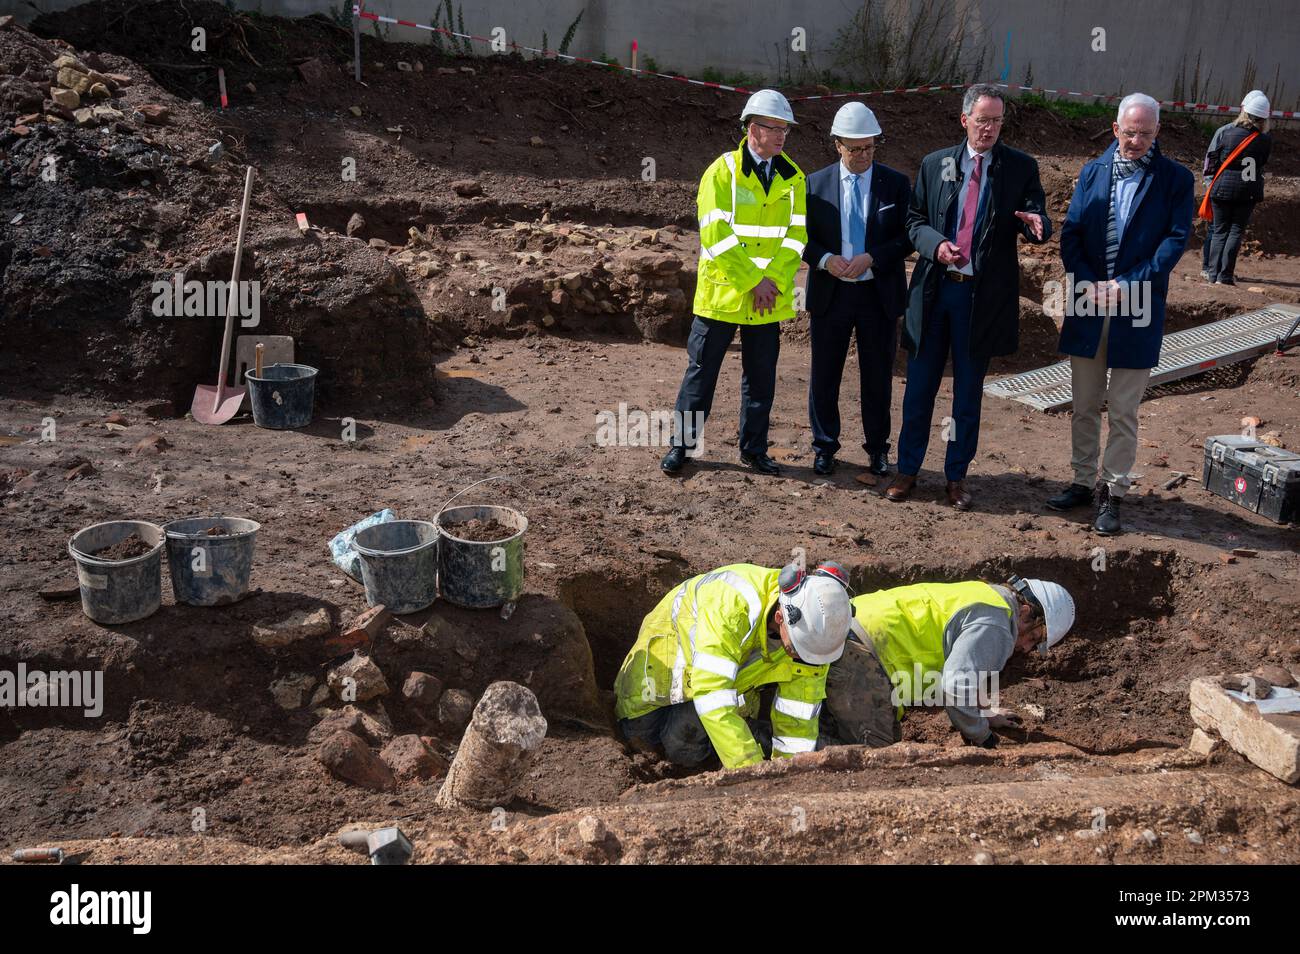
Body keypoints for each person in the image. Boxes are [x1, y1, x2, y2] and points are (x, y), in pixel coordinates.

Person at [886, 84, 1051, 511]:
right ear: (965, 121)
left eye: (997, 121)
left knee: (967, 395)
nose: (990, 129)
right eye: (982, 120)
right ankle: (907, 471)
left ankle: (956, 476)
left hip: (980, 300)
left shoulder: (1019, 167)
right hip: (934, 293)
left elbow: (1038, 214)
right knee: (919, 387)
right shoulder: (934, 163)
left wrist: (1037, 223)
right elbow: (914, 220)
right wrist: (936, 245)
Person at [1048, 93, 1194, 535]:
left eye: (1145, 134)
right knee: (1085, 403)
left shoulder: (1174, 179)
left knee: (1125, 409)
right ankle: (1080, 480)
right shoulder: (1091, 172)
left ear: (1157, 134)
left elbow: (1175, 239)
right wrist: (1088, 282)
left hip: (1139, 302)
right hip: (1089, 301)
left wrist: (1129, 283)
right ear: (1115, 129)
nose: (1136, 141)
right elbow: (1071, 233)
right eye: (1129, 132)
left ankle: (1112, 493)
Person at [660, 89, 808, 477]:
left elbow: (796, 239)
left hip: (766, 299)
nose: (782, 136)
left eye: (786, 130)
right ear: (753, 128)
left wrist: (769, 282)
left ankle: (754, 450)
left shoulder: (794, 178)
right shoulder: (721, 171)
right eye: (775, 129)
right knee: (700, 374)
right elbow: (716, 235)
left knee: (761, 381)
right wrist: (752, 281)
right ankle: (682, 447)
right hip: (722, 295)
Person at [614, 561, 853, 768]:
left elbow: (798, 717)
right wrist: (748, 769)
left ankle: (726, 743)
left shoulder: (816, 643)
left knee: (683, 746)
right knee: (639, 736)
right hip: (660, 673)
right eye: (798, 649)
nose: (803, 660)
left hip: (729, 685)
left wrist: (787, 771)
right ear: (780, 618)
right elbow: (712, 692)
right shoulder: (732, 604)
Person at [820, 576, 1075, 749]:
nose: (1027, 647)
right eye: (1034, 638)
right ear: (1028, 611)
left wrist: (985, 713)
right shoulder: (998, 624)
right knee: (875, 756)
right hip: (860, 651)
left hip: (842, 628)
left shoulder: (986, 596)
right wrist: (981, 736)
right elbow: (956, 684)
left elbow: (968, 663)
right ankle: (798, 751)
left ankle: (823, 720)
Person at [803, 102, 913, 477]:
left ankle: (878, 448)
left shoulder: (895, 184)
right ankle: (824, 447)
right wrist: (825, 259)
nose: (863, 155)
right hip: (830, 293)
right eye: (855, 149)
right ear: (837, 145)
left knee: (878, 374)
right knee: (824, 374)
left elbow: (907, 236)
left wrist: (873, 258)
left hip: (877, 294)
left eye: (869, 147)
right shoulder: (813, 186)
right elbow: (800, 238)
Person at [1205, 90, 1273, 285]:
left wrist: (1210, 181)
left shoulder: (1226, 132)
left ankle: (1212, 273)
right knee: (1235, 232)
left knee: (1219, 231)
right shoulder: (1265, 140)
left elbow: (1213, 158)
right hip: (1248, 192)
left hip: (1222, 189)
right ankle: (1225, 276)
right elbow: (1263, 161)